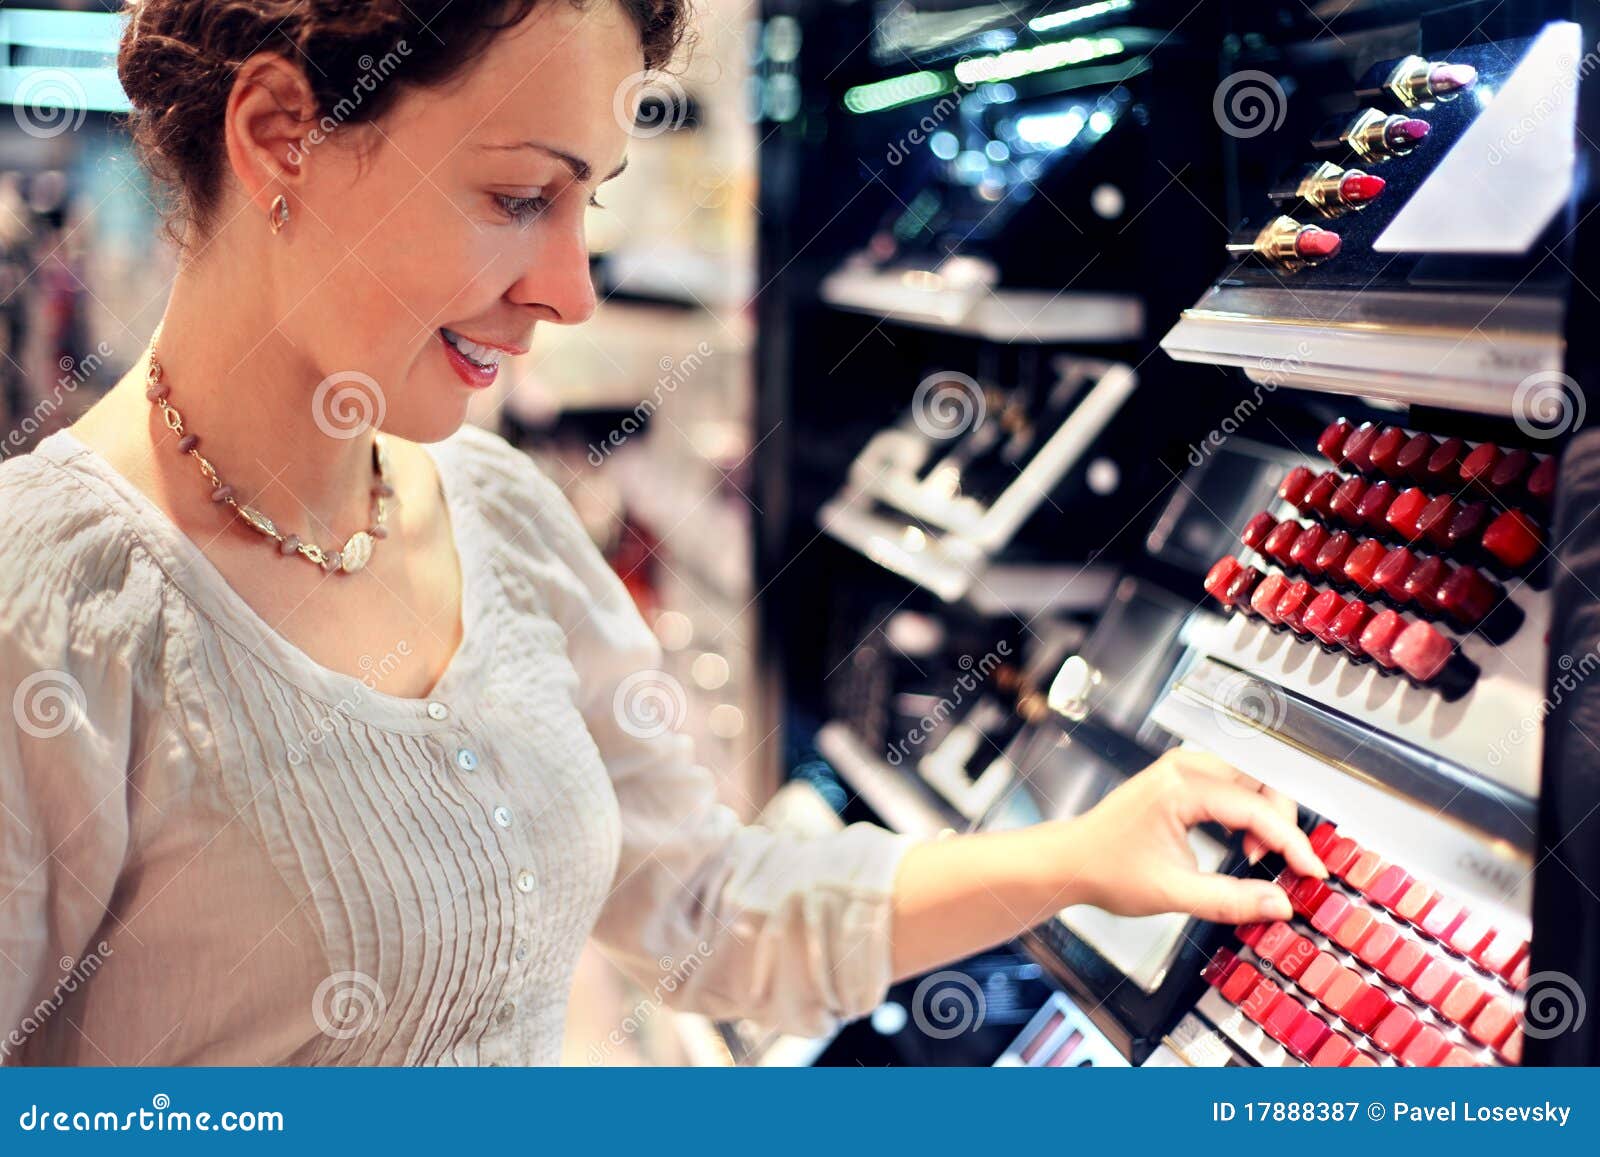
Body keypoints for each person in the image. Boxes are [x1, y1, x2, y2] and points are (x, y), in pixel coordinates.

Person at [0, 0, 1323, 1066]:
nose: (569, 289)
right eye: (521, 195)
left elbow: (702, 909)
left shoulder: (501, 517)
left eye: (592, 203)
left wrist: (1074, 854)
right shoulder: (49, 604)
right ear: (283, 132)